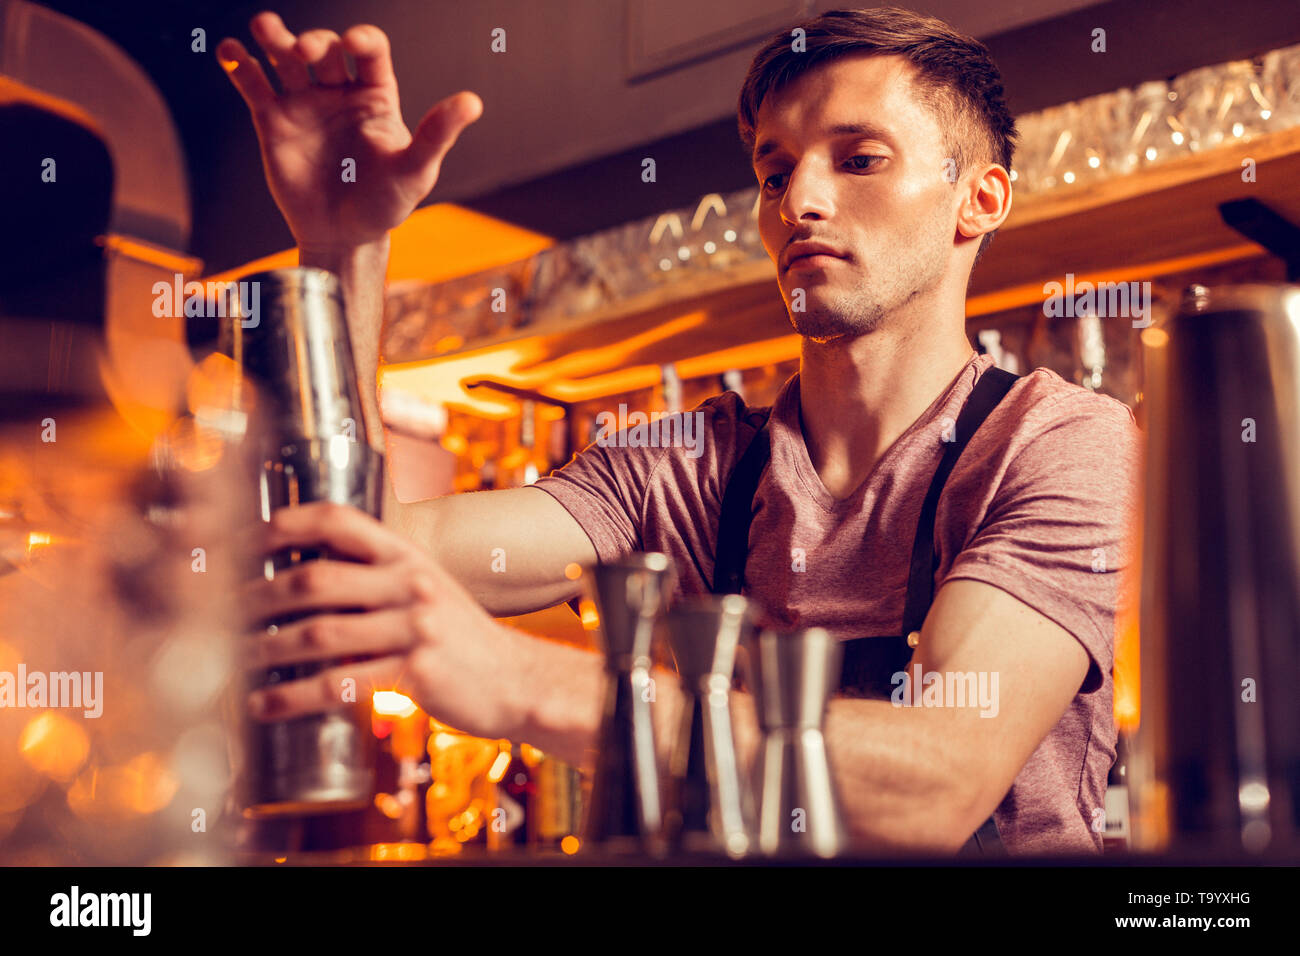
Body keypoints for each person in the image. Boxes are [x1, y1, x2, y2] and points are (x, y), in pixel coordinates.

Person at [218, 6, 1140, 855]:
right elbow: (354, 547)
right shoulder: (681, 469)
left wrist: (514, 677)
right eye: (775, 171)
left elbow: (940, 779)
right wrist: (346, 245)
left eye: (858, 159)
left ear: (979, 199)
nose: (798, 203)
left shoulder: (1058, 441)